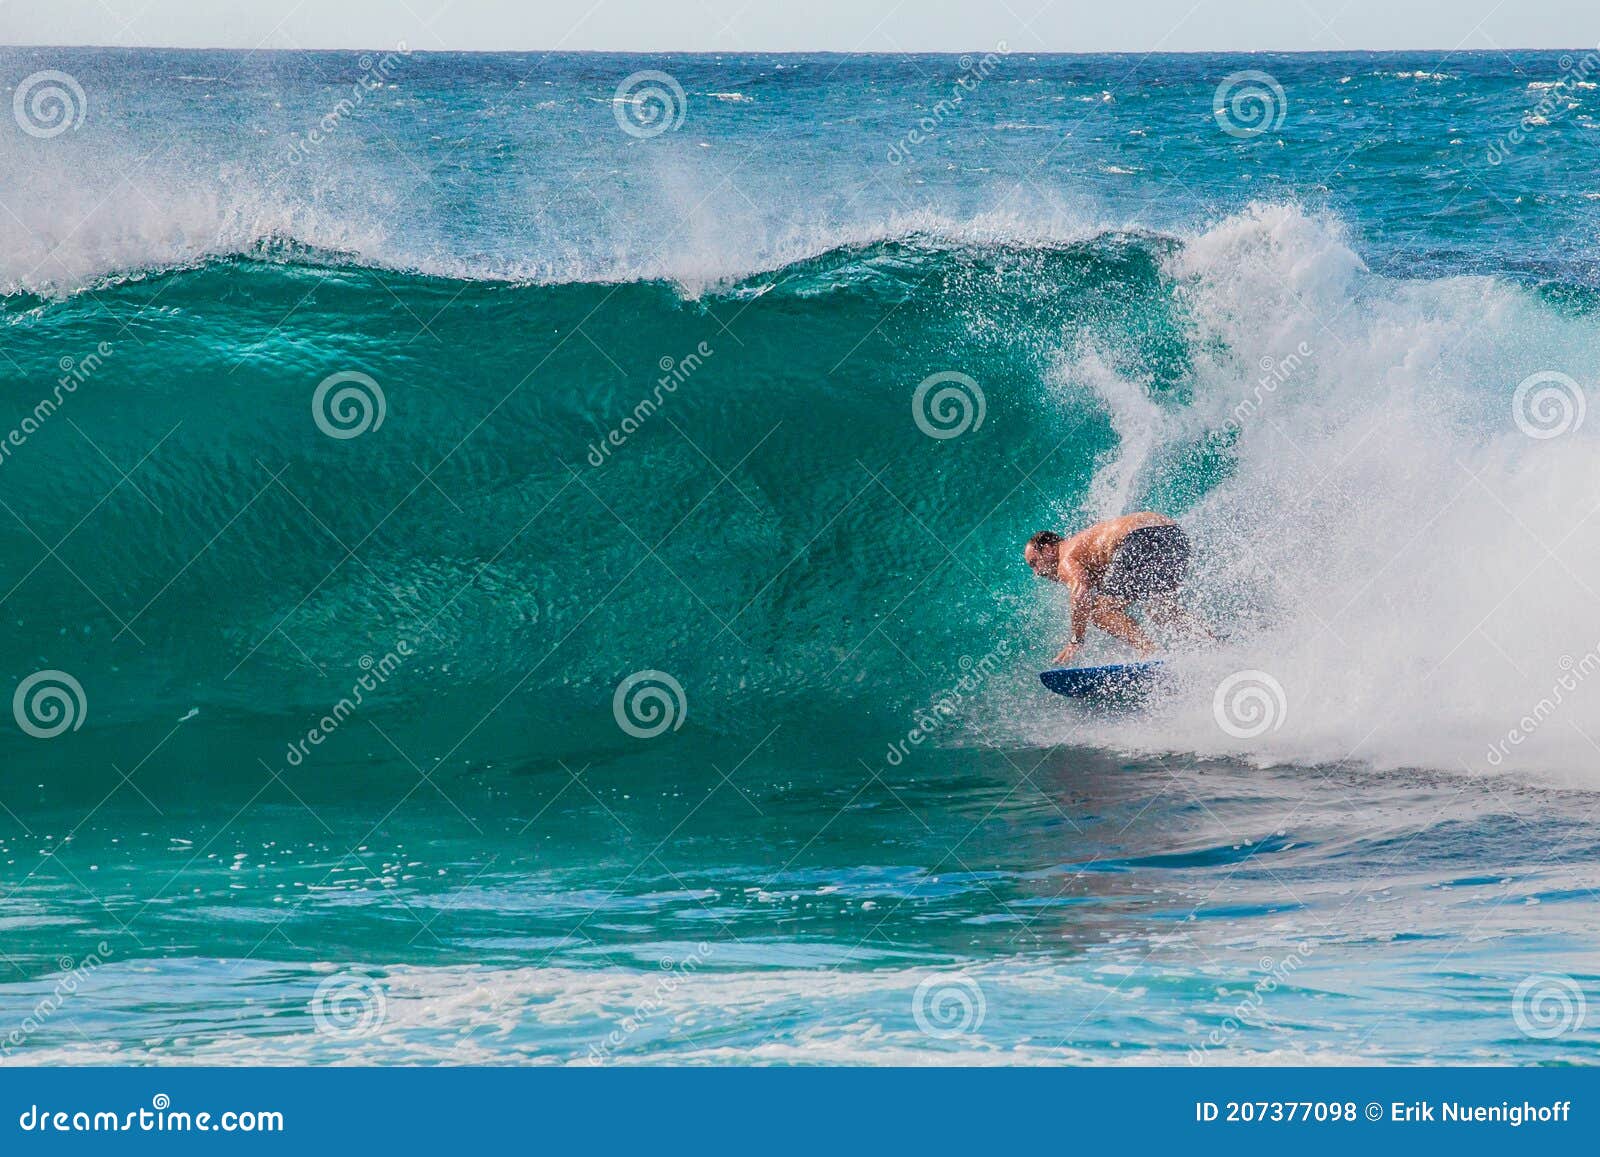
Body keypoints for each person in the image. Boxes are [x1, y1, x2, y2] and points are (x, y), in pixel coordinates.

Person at [1024, 512, 1214, 666]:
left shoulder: (1065, 557)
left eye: (1035, 563)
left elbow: (1080, 592)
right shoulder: (1086, 551)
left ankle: (1149, 651)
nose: (1037, 572)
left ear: (1048, 550)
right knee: (1160, 609)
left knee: (1100, 612)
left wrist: (1077, 640)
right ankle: (1212, 643)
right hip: (1173, 535)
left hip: (1139, 538)